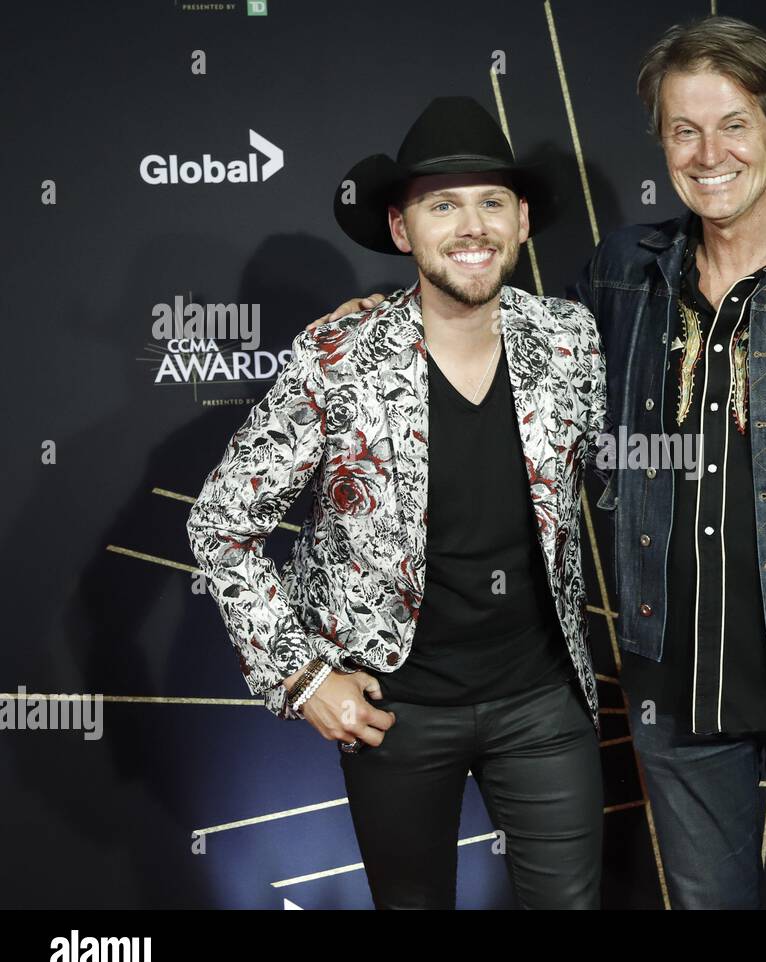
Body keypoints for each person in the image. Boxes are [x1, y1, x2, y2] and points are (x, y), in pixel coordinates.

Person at [314, 15, 766, 910]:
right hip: (674, 687)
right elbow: (500, 337)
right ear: (661, 142)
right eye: (684, 130)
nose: (710, 151)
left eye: (733, 123)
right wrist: (384, 324)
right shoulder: (620, 275)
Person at [188, 96, 606, 909]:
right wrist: (305, 678)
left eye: (491, 201)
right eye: (442, 204)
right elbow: (220, 524)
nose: (471, 225)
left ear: (523, 221)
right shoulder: (336, 356)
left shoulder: (570, 340)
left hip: (544, 702)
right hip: (395, 709)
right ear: (400, 227)